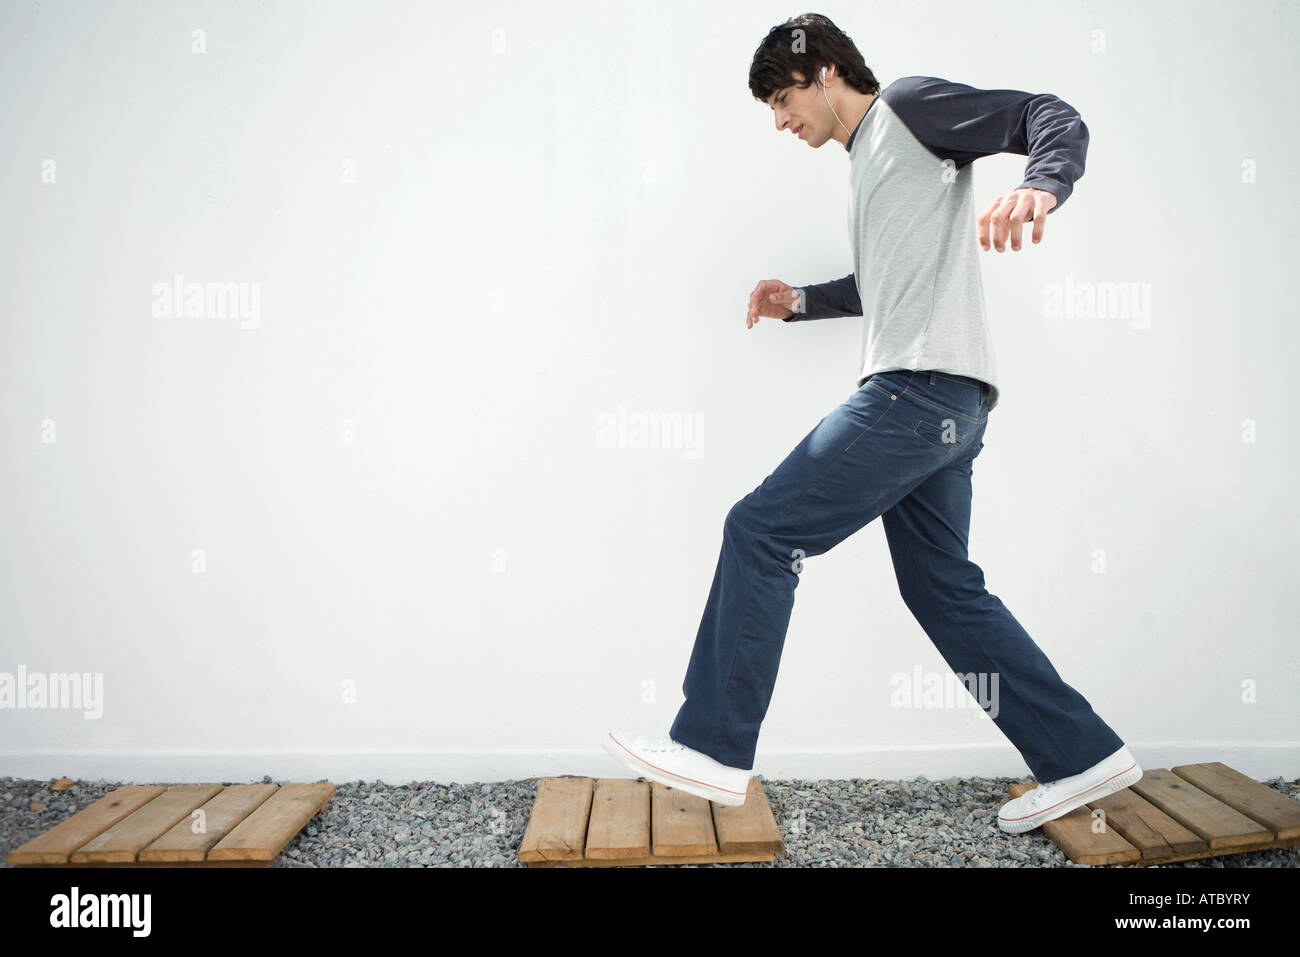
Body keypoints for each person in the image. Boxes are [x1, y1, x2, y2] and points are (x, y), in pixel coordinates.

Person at [603, 13, 1140, 834]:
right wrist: (801, 303)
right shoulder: (873, 163)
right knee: (943, 589)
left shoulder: (911, 108)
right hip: (950, 406)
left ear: (824, 74)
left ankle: (711, 750)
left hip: (915, 393)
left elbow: (1050, 114)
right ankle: (1080, 752)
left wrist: (1043, 183)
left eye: (784, 99)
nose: (781, 122)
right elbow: (883, 283)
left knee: (760, 528)